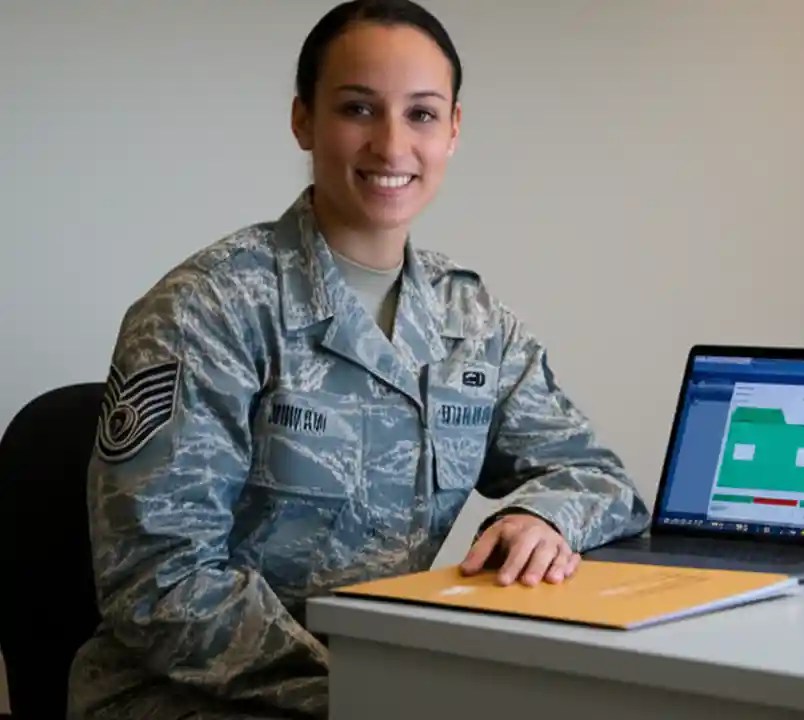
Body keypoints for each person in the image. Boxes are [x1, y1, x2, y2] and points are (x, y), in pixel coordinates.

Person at [65, 1, 651, 718]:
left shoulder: (472, 320)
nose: (392, 144)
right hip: (186, 696)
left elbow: (599, 476)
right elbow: (158, 583)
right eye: (358, 109)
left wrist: (545, 519)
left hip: (383, 679)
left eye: (422, 114)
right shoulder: (208, 309)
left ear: (454, 130)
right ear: (303, 121)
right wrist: (370, 687)